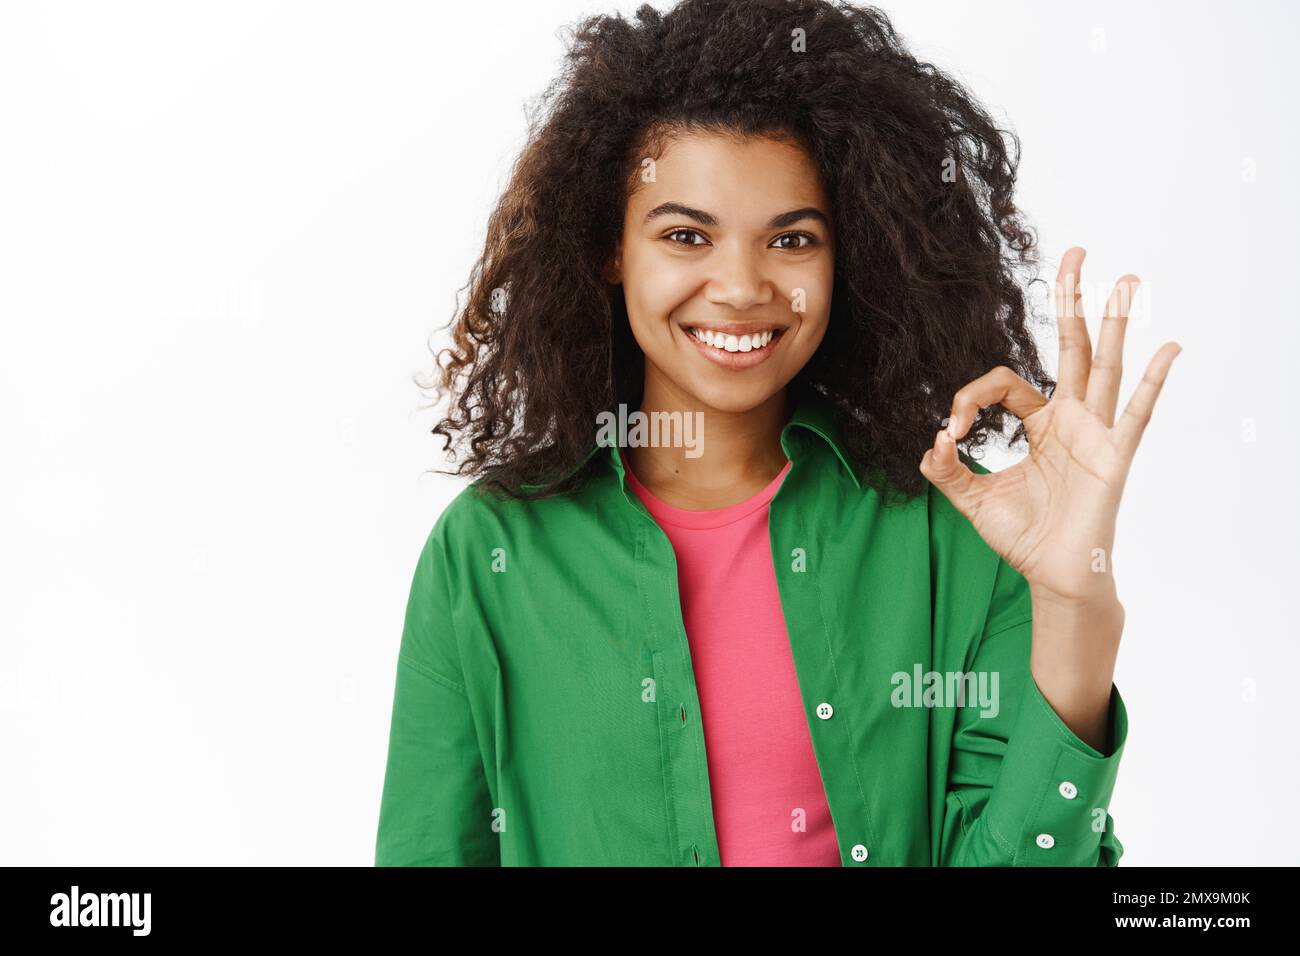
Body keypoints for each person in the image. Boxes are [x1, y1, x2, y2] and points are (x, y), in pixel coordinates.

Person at [374, 0, 1180, 866]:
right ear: (610, 248)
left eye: (791, 239)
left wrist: (1074, 611)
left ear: (851, 256)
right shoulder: (488, 556)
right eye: (686, 235)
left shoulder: (951, 536)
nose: (740, 286)